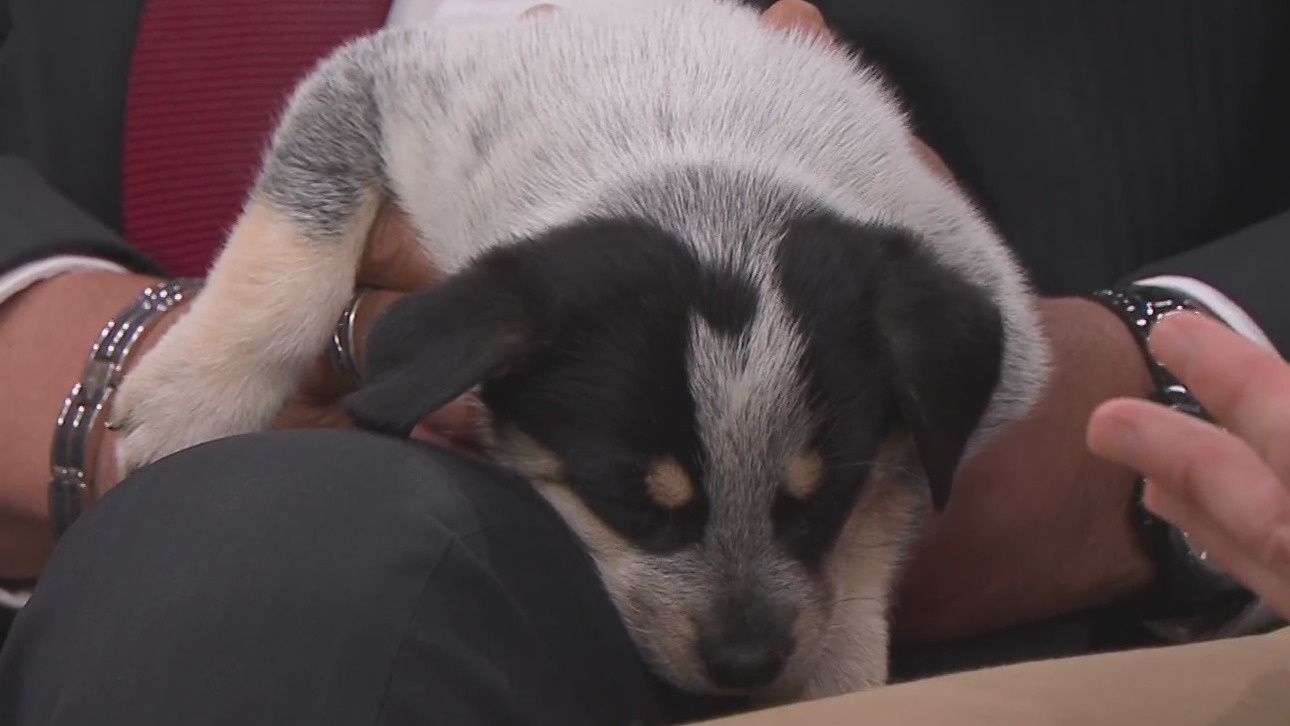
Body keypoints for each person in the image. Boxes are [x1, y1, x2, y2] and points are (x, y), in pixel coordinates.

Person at [0, 0, 1287, 723]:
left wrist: (1172, 400)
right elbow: (365, 97)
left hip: (1054, 625)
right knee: (272, 586)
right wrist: (76, 341)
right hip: (94, 583)